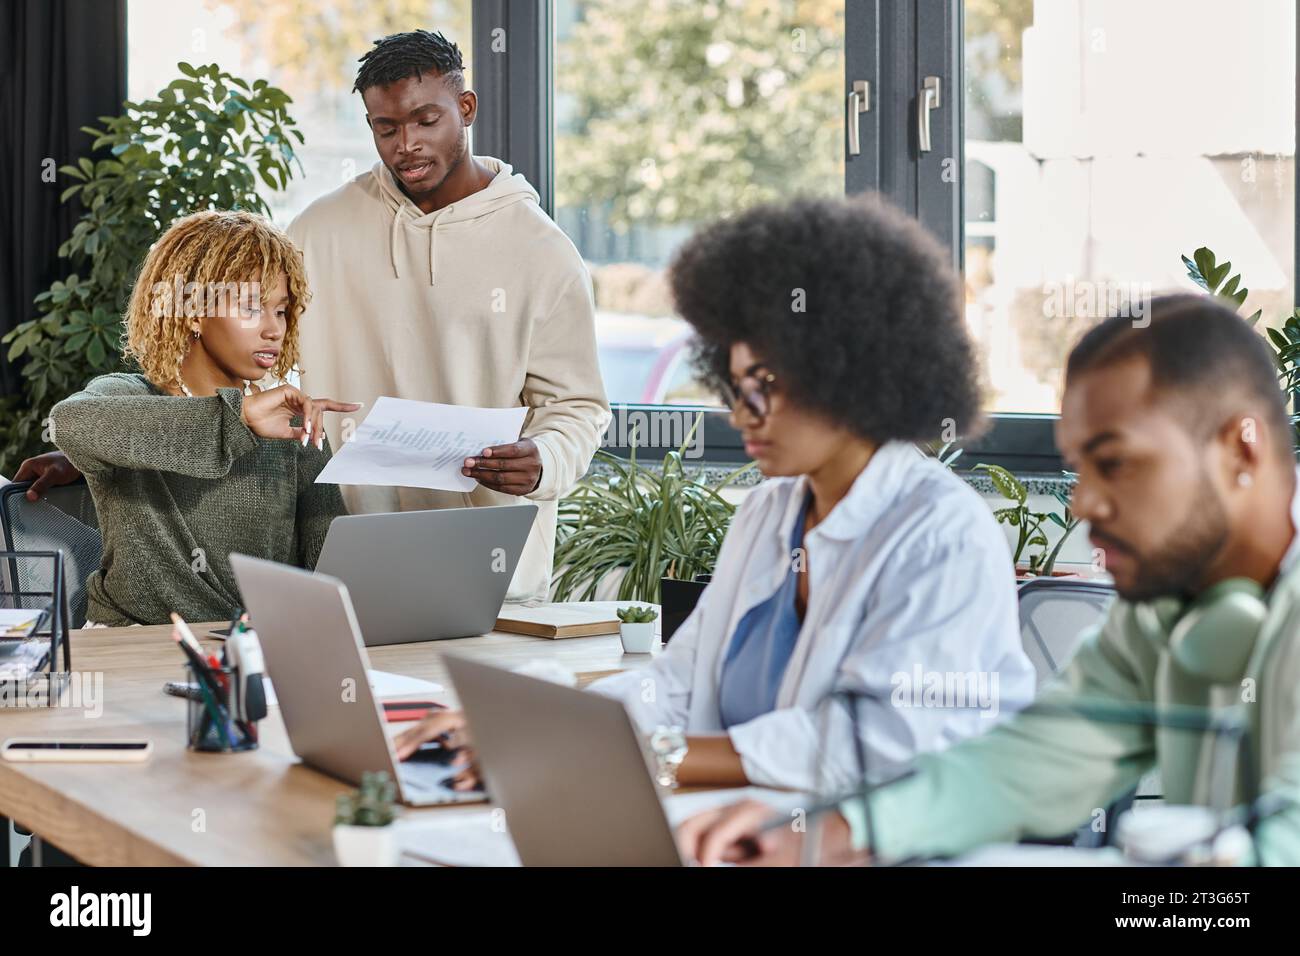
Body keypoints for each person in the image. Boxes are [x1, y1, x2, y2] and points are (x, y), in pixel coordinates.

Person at [393, 196, 1035, 793]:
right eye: (734, 387)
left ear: (854, 374)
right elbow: (673, 685)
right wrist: (534, 723)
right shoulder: (771, 512)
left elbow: (868, 745)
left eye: (767, 385)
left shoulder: (941, 532)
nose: (742, 414)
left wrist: (616, 754)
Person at [680, 293, 1300, 866]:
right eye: (1079, 470)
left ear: (1240, 450)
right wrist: (825, 832)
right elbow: (1023, 766)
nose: (1083, 505)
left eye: (1114, 464)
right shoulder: (1160, 612)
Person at [18, 29, 610, 605]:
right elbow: (229, 342)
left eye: (426, 120)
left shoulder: (543, 254)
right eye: (386, 127)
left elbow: (577, 408)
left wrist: (545, 462)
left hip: (486, 567)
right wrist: (123, 450)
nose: (407, 143)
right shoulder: (317, 230)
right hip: (350, 558)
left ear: (466, 107)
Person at [46, 210, 358, 626]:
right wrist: (236, 418)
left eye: (281, 311)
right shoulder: (128, 394)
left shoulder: (291, 427)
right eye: (252, 307)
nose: (273, 329)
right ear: (193, 310)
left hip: (252, 650)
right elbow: (71, 422)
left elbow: (330, 568)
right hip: (130, 648)